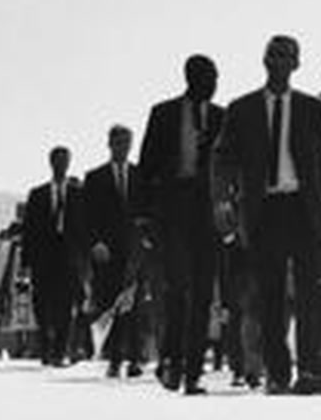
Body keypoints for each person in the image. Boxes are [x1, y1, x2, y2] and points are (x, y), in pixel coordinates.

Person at [213, 34, 321, 395]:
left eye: (288, 56)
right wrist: (222, 200)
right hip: (264, 210)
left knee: (309, 295)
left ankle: (308, 369)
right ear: (264, 60)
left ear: (297, 64)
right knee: (270, 295)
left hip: (305, 208)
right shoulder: (241, 110)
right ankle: (277, 372)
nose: (280, 62)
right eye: (274, 55)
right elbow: (223, 158)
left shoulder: (312, 109)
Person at [139, 53, 224, 394]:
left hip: (208, 211)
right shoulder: (164, 114)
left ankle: (192, 371)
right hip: (174, 209)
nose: (214, 84)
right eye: (208, 77)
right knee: (178, 288)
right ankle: (171, 359)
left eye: (216, 78)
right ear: (191, 78)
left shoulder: (221, 117)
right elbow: (146, 166)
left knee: (204, 290)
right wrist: (144, 216)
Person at [85, 123, 146, 378]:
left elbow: (147, 211)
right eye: (118, 142)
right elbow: (85, 216)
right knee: (111, 302)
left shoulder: (140, 175)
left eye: (127, 142)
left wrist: (146, 241)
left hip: (134, 250)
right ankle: (114, 357)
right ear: (110, 144)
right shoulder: (95, 178)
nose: (123, 147)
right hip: (106, 251)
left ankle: (133, 357)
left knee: (134, 304)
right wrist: (95, 242)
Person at [25, 145, 88, 366]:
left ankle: (60, 351)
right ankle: (45, 347)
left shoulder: (78, 193)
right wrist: (26, 263)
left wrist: (85, 259)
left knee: (65, 305)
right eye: (57, 160)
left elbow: (85, 228)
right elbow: (29, 230)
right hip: (44, 258)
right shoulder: (37, 194)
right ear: (51, 163)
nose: (61, 165)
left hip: (69, 258)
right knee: (42, 304)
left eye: (65, 160)